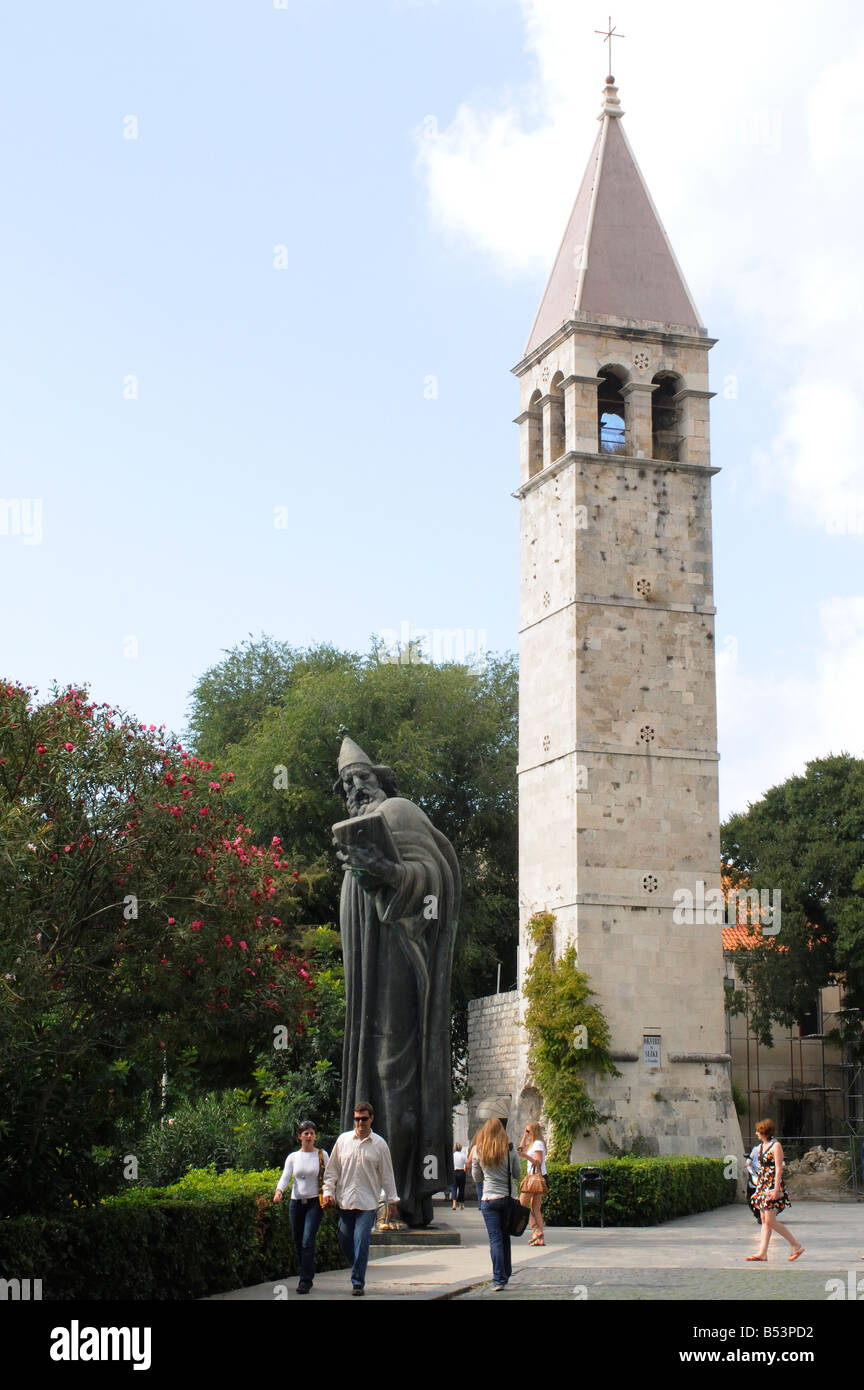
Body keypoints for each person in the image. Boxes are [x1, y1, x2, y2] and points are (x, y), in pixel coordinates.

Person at [332, 733, 461, 1228]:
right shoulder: (360, 826)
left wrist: (387, 871)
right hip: (367, 965)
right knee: (370, 1061)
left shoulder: (401, 812)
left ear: (381, 779)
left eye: (361, 778)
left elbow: (434, 877)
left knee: (393, 1067)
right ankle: (368, 1196)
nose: (355, 789)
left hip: (400, 957)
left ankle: (405, 1192)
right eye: (347, 783)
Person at [322, 1101, 399, 1296]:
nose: (360, 1123)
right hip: (345, 1200)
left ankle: (358, 1281)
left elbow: (387, 1174)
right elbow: (332, 1172)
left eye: (364, 1119)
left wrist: (391, 1201)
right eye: (357, 1119)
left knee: (362, 1240)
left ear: (371, 1118)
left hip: (367, 1202)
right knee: (345, 1240)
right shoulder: (343, 1140)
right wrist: (328, 1192)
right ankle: (357, 1264)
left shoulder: (380, 1144)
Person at [273, 1121, 330, 1294]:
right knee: (299, 1242)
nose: (309, 1136)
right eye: (305, 1133)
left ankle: (305, 1280)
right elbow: (286, 1176)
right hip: (296, 1203)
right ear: (300, 1136)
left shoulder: (322, 1155)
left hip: (314, 1203)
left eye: (312, 1133)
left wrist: (329, 1194)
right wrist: (279, 1191)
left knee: (307, 1241)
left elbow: (328, 1177)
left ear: (315, 1136)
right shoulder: (293, 1157)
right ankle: (308, 1271)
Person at [471, 1117, 522, 1291]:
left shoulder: (479, 1149)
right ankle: (505, 1274)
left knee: (495, 1239)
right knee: (505, 1237)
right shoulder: (510, 1149)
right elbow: (517, 1173)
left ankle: (498, 1278)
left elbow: (476, 1178)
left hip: (488, 1199)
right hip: (507, 1199)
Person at [746, 1118, 804, 1262]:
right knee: (765, 1219)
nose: (756, 1133)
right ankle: (762, 1253)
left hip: (772, 1184)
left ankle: (795, 1244)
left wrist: (776, 1189)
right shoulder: (760, 1147)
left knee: (771, 1220)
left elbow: (779, 1169)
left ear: (764, 1131)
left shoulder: (775, 1145)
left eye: (758, 1131)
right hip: (763, 1184)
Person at [517, 1121, 548, 1246]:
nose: (527, 1133)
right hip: (535, 1177)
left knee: (521, 1205)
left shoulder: (538, 1144)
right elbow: (520, 1149)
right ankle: (540, 1238)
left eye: (528, 1131)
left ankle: (535, 1229)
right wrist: (525, 1137)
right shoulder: (532, 1143)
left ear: (534, 1131)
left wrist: (526, 1157)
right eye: (526, 1131)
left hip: (536, 1177)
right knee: (535, 1209)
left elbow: (538, 1162)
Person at [744, 1138, 763, 1224]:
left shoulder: (774, 1147)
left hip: (769, 1178)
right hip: (756, 1176)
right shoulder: (755, 1150)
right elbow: (748, 1163)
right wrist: (752, 1172)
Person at [451, 1144, 467, 1210]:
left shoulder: (452, 1155)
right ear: (461, 1148)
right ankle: (461, 1205)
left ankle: (454, 1204)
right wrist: (465, 1170)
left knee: (453, 1188)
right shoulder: (463, 1155)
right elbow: (467, 1163)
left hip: (454, 1172)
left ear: (454, 1148)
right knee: (461, 1189)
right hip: (461, 1172)